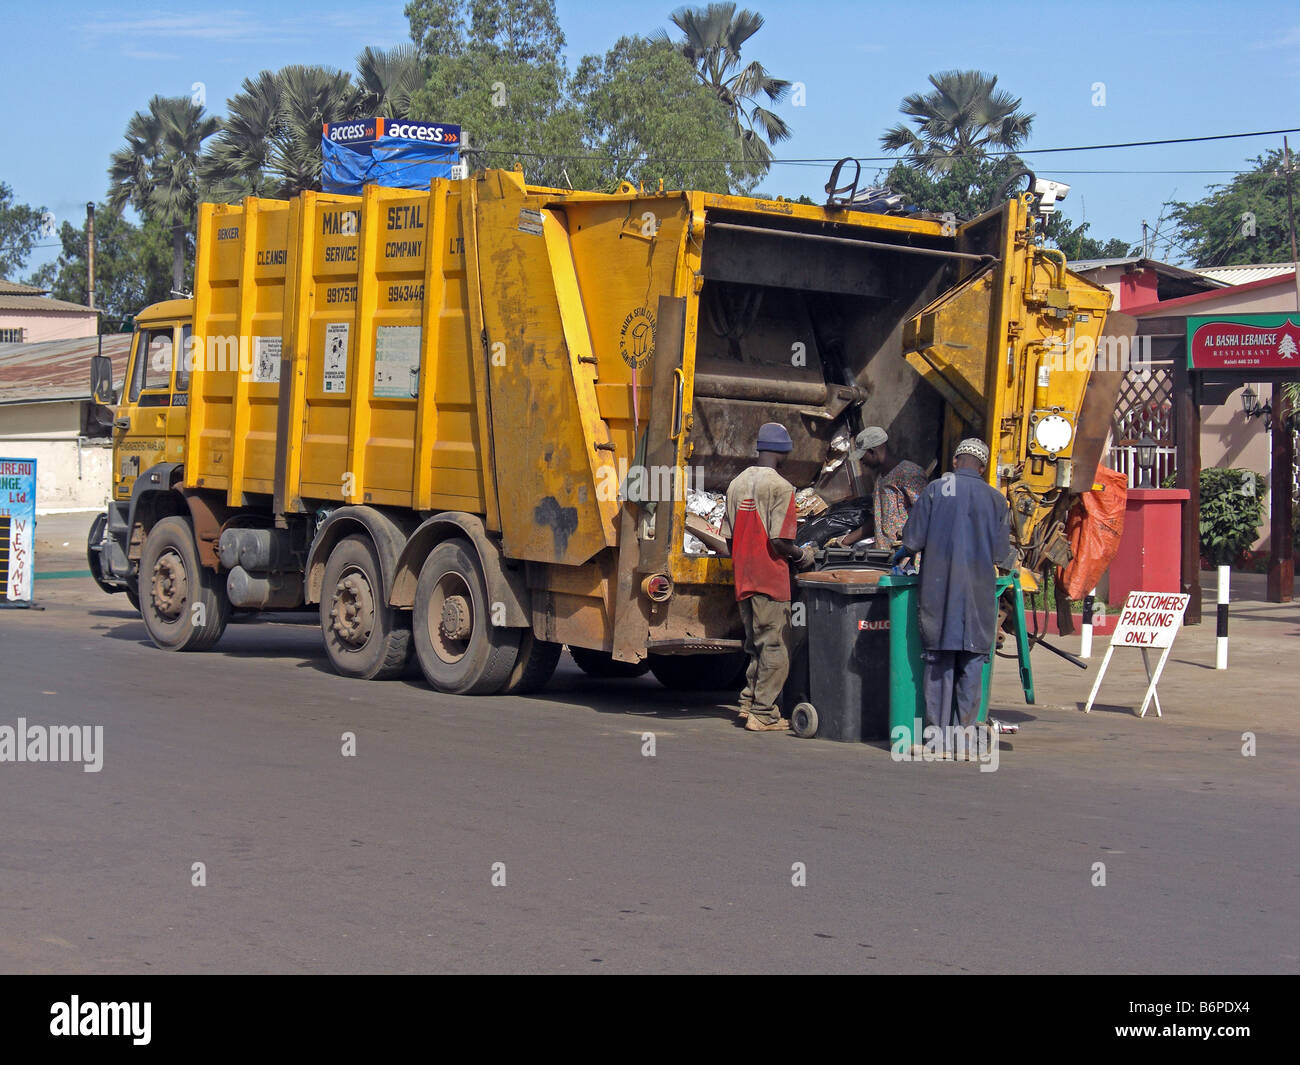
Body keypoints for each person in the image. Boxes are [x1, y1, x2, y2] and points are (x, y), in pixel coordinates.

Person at [895, 438, 1011, 757]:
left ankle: (937, 742)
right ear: (983, 467)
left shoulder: (936, 490)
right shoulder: (997, 500)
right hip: (978, 597)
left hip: (939, 593)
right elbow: (1003, 555)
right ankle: (965, 741)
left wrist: (903, 552)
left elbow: (914, 539)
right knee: (972, 663)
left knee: (939, 664)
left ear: (957, 460)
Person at [720, 422, 815, 732]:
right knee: (774, 647)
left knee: (754, 645)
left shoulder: (735, 484)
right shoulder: (781, 488)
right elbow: (778, 541)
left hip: (743, 578)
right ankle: (764, 713)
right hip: (771, 580)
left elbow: (729, 540)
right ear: (784, 451)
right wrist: (802, 555)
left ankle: (748, 704)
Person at [830, 427, 928, 550]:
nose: (861, 462)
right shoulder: (880, 479)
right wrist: (847, 540)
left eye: (862, 456)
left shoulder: (909, 473)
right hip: (885, 555)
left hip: (906, 556)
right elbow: (878, 519)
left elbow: (926, 511)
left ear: (872, 451)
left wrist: (906, 535)